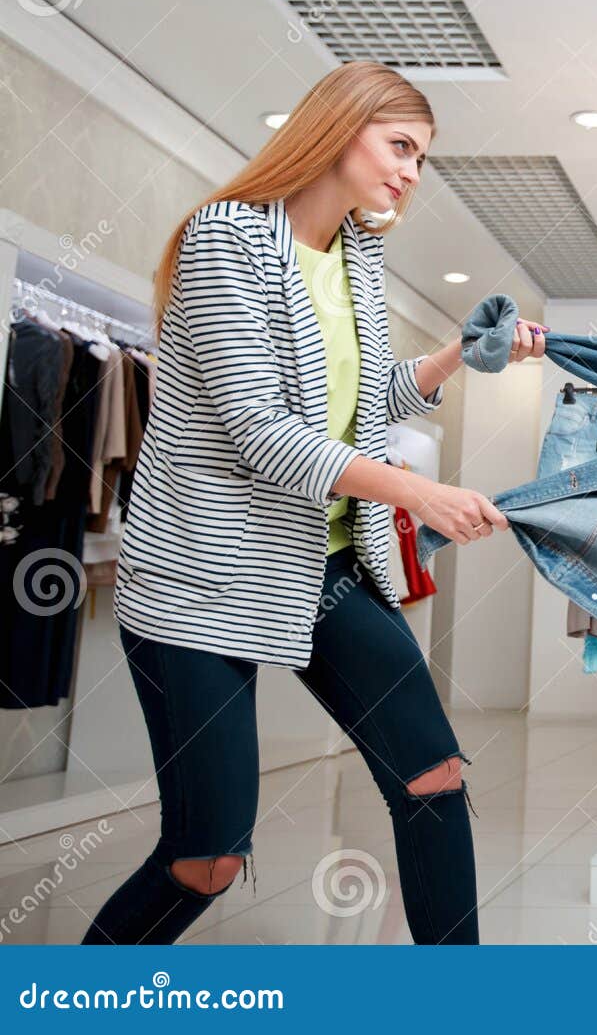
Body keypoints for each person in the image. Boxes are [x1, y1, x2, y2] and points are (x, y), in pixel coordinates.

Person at [87, 61, 545, 945]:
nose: (412, 172)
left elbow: (367, 399)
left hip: (324, 565)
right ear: (339, 127)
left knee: (433, 775)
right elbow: (261, 431)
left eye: (422, 157)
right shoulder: (226, 239)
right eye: (401, 145)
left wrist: (461, 354)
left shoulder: (357, 256)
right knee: (207, 856)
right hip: (205, 576)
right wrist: (421, 492)